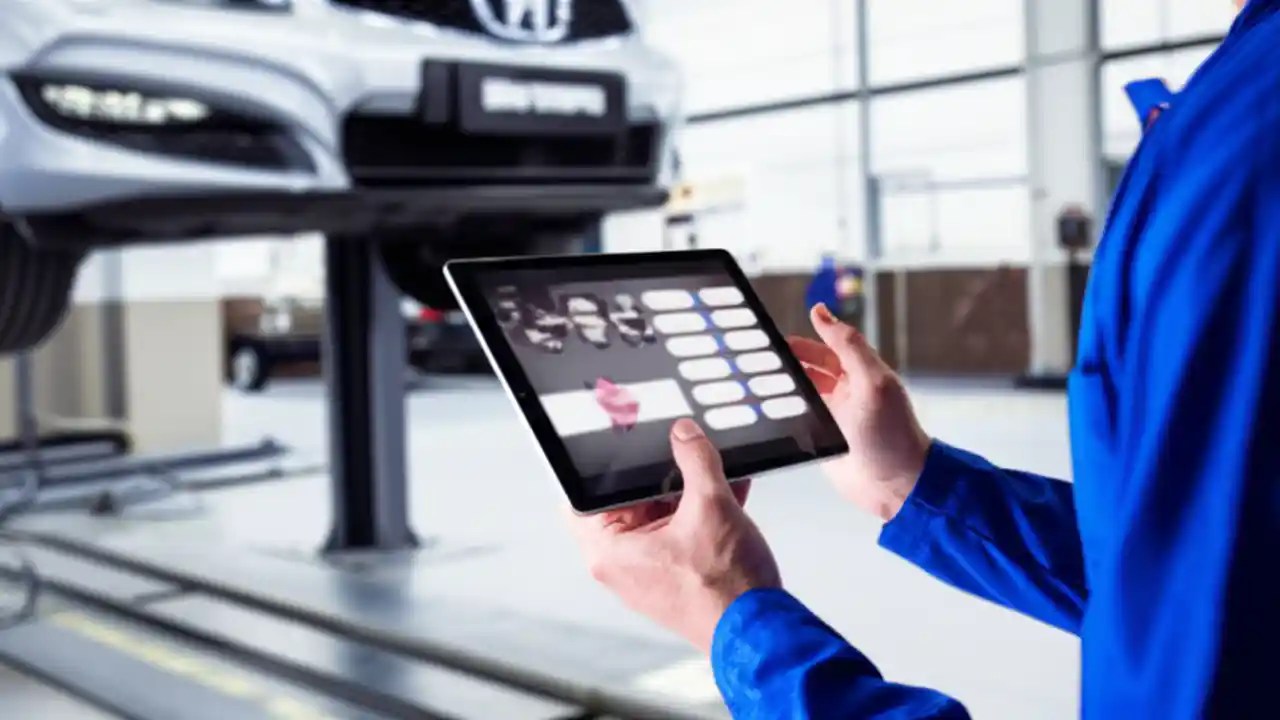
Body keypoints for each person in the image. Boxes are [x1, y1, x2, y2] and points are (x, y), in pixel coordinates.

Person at [568, 1, 1280, 717]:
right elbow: (1214, 586)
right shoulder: (1243, 93)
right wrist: (917, 481)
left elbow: (1209, 659)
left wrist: (740, 624)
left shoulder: (1246, 140)